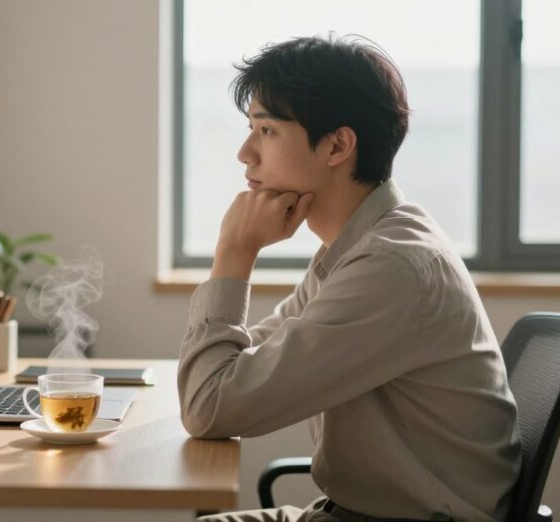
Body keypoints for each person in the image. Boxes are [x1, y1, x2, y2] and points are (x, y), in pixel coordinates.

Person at [177, 35, 521, 522]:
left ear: (338, 145)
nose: (245, 153)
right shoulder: (359, 247)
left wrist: (235, 251)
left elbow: (211, 407)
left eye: (267, 130)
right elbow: (234, 372)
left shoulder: (391, 267)